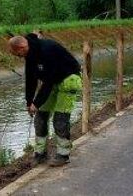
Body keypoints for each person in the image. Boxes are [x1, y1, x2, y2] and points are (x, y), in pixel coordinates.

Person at [7, 33, 82, 167]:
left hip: (68, 79)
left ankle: (63, 155)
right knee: (40, 117)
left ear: (22, 47)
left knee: (60, 118)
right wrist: (29, 102)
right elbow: (31, 80)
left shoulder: (47, 50)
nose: (19, 57)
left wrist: (37, 103)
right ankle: (40, 154)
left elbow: (48, 81)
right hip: (53, 81)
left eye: (18, 54)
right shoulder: (29, 55)